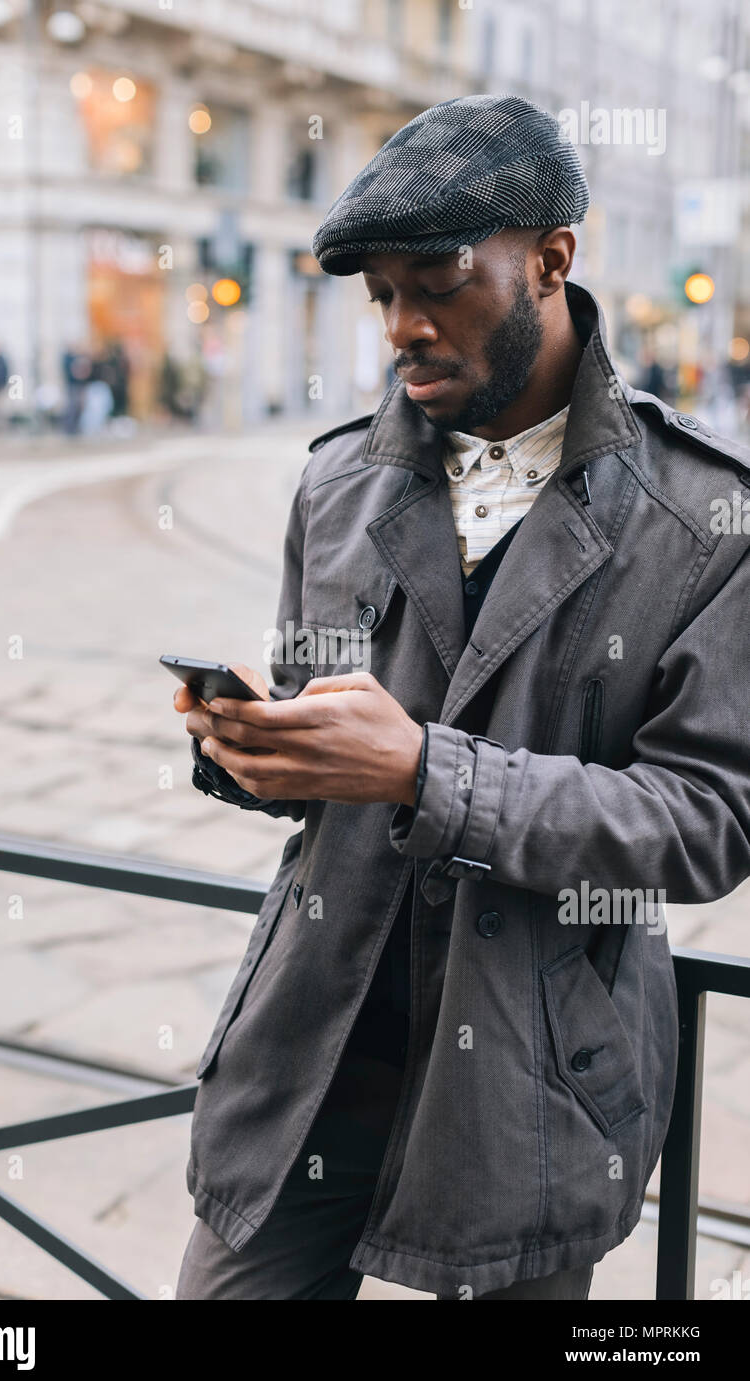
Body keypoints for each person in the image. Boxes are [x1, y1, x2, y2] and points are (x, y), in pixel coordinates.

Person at [173, 95, 750, 1301]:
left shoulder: (704, 517)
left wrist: (425, 771)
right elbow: (325, 738)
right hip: (311, 1048)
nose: (404, 327)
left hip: (530, 1084)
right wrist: (255, 751)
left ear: (549, 258)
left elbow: (705, 822)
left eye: (436, 283)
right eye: (381, 295)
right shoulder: (337, 480)